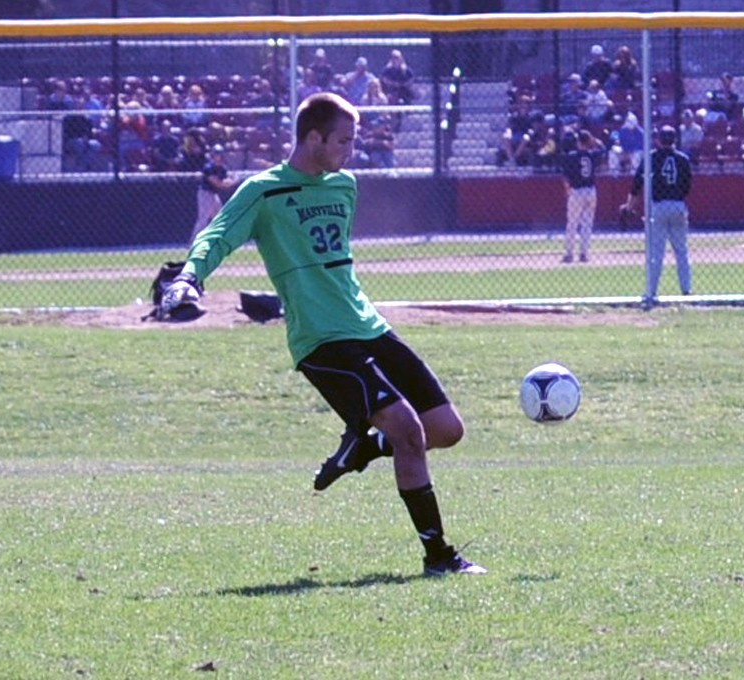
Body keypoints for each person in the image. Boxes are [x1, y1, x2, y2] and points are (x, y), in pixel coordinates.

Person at [159, 92, 485, 577]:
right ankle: (439, 557)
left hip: (368, 325)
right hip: (321, 340)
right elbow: (219, 233)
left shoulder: (344, 186)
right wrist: (189, 277)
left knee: (446, 430)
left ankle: (363, 447)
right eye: (343, 140)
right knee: (410, 433)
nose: (350, 150)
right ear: (313, 138)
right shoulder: (264, 190)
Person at [621, 125, 693, 309]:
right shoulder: (683, 159)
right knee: (681, 250)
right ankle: (686, 290)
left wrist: (630, 205)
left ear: (659, 140)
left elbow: (637, 183)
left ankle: (651, 291)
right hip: (678, 203)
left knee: (656, 252)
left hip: (659, 205)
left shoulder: (652, 157)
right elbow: (687, 186)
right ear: (674, 140)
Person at [559, 130, 604, 264]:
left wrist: (567, 191)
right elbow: (603, 149)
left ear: (578, 142)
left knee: (572, 223)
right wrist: (594, 140)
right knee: (587, 224)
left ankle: (569, 254)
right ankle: (584, 253)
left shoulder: (571, 156)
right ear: (589, 142)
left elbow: (565, 177)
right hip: (591, 191)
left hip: (577, 191)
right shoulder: (593, 155)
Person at [192, 144, 235, 241]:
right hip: (205, 193)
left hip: (214, 194)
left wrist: (230, 181)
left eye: (219, 154)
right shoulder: (208, 167)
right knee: (203, 218)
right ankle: (194, 242)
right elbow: (218, 184)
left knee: (219, 216)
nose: (218, 156)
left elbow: (228, 178)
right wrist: (231, 182)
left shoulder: (223, 168)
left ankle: (219, 239)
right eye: (216, 154)